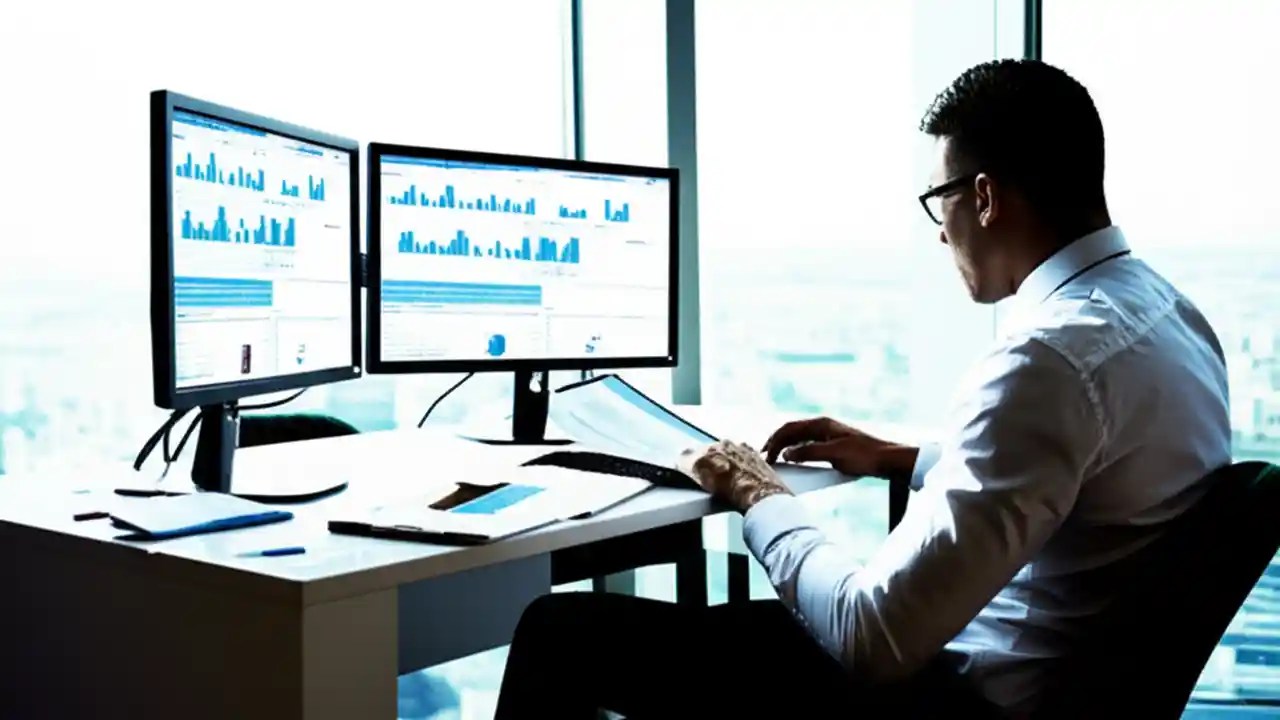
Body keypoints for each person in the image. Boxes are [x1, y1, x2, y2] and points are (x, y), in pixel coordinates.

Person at [494, 58, 1231, 719]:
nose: (940, 233)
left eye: (937, 199)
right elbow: (1080, 478)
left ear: (984, 197)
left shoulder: (1046, 362)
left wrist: (761, 497)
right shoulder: (1169, 316)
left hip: (959, 698)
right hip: (1049, 678)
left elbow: (873, 639)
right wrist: (905, 459)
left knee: (561, 635)